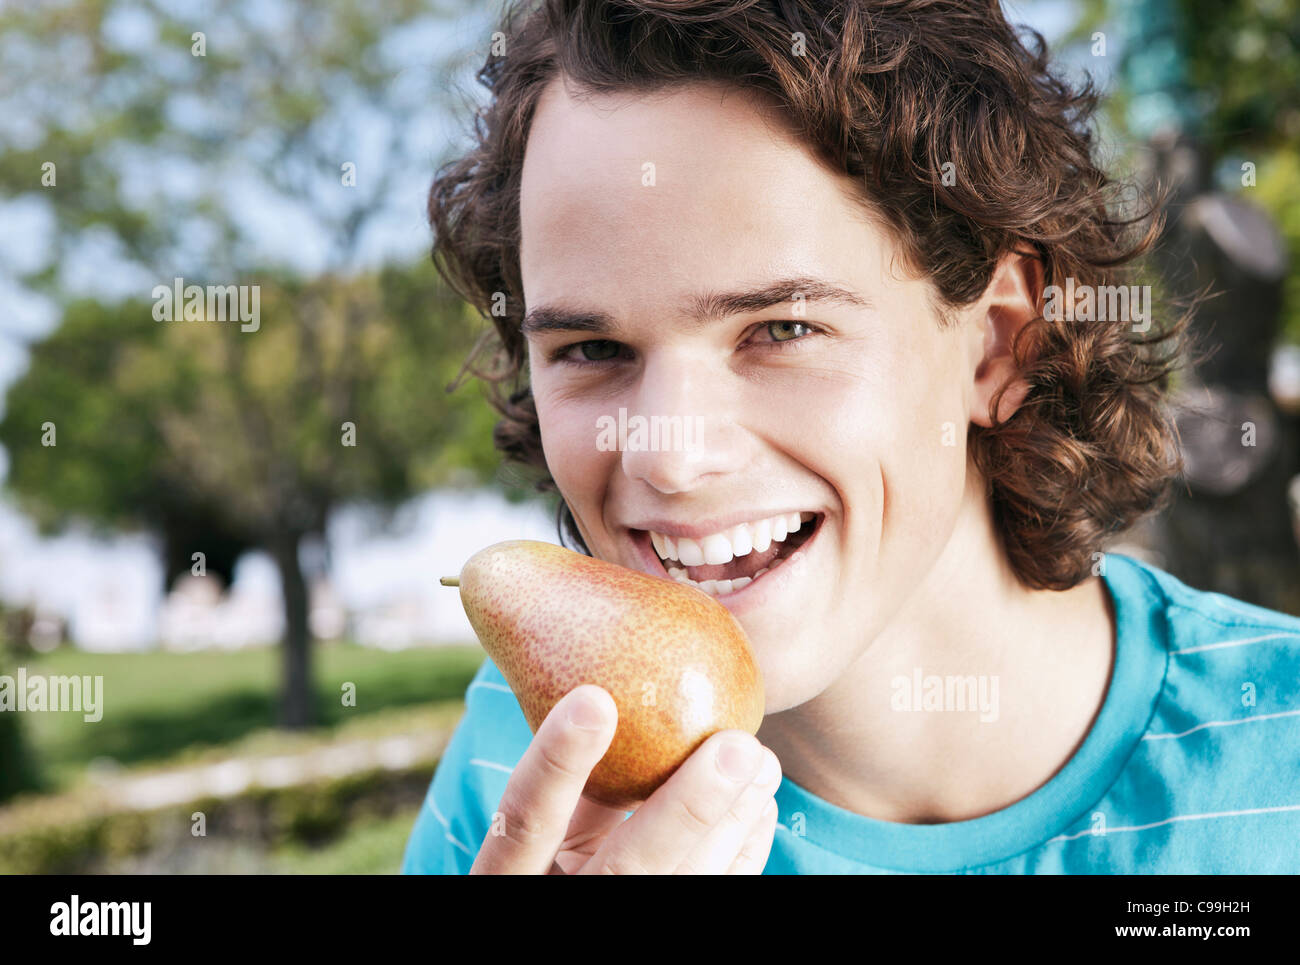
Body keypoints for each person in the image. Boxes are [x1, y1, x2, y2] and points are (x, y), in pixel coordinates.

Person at [402, 0, 1300, 874]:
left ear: (998, 344)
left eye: (782, 329)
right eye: (591, 348)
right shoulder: (528, 774)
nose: (670, 457)